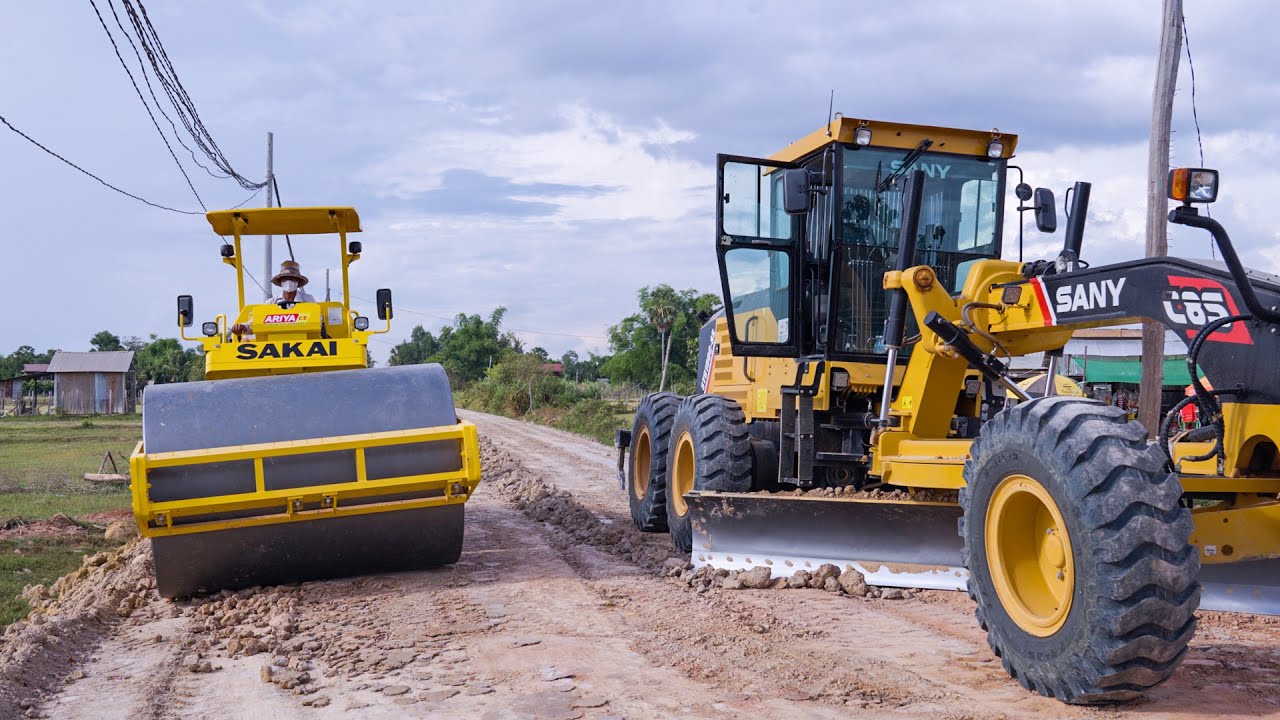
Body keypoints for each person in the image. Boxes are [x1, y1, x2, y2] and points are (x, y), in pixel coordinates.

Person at [231, 261, 317, 337]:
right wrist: (242, 327)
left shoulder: (308, 300)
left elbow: (319, 319)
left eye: (292, 278)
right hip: (274, 345)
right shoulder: (271, 303)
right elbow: (255, 322)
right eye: (285, 278)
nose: (289, 281)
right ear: (281, 282)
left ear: (297, 281)